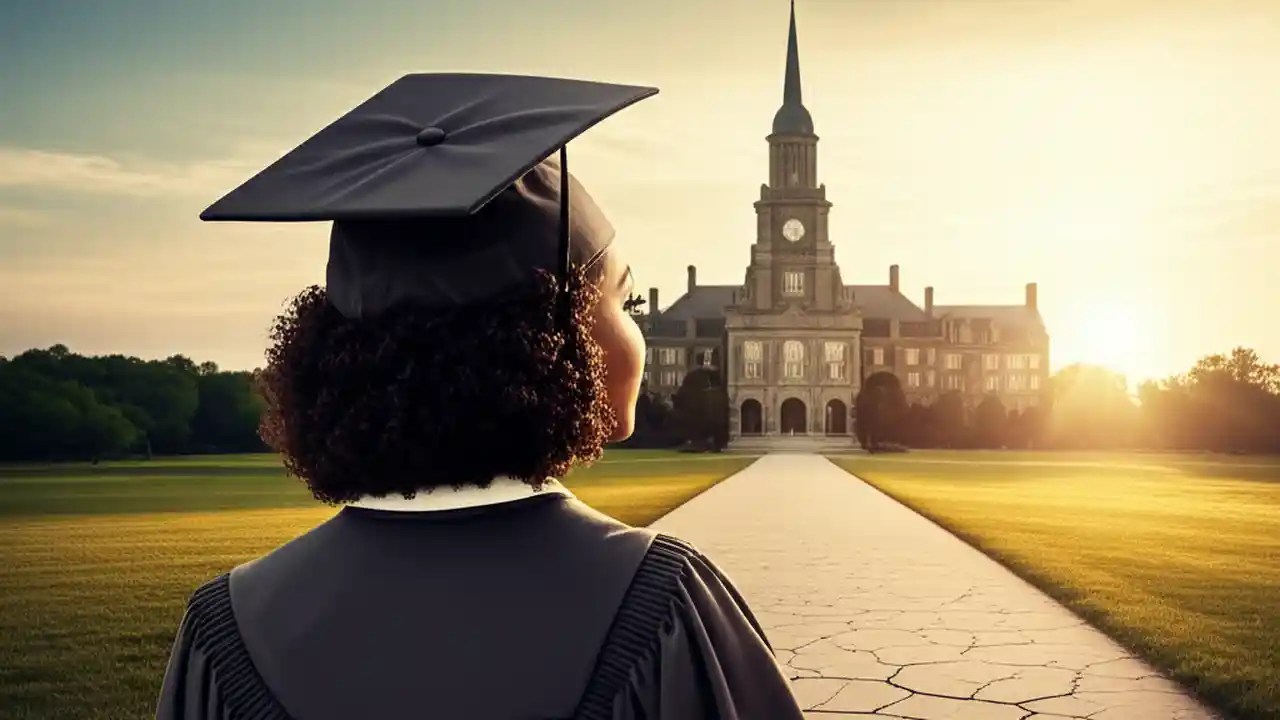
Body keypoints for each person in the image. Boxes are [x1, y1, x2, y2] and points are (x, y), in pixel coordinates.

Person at [156, 73, 805, 720]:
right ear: (558, 336)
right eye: (624, 300)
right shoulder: (660, 603)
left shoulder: (226, 628)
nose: (634, 329)